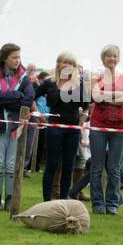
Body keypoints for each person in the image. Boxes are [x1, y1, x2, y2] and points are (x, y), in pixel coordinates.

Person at [0, 42, 33, 211]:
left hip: (16, 127)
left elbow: (27, 100)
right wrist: (16, 97)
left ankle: (10, 199)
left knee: (12, 164)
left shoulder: (24, 78)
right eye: (14, 57)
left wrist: (7, 99)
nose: (17, 60)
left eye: (19, 57)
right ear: (5, 58)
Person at [88, 44, 123, 215]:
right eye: (109, 56)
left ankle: (112, 203)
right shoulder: (96, 77)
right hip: (99, 125)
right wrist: (116, 97)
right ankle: (98, 203)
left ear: (118, 58)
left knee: (114, 167)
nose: (112, 59)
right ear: (103, 58)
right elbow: (95, 97)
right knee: (97, 166)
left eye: (115, 56)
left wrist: (105, 98)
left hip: (119, 127)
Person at [36, 52, 84, 201]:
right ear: (58, 65)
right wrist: (38, 114)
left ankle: (64, 199)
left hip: (72, 130)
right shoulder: (50, 83)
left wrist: (81, 123)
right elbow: (32, 95)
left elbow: (87, 108)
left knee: (68, 166)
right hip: (54, 128)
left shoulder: (79, 85)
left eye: (70, 63)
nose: (67, 66)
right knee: (51, 164)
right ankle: (46, 200)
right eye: (63, 62)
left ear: (74, 67)